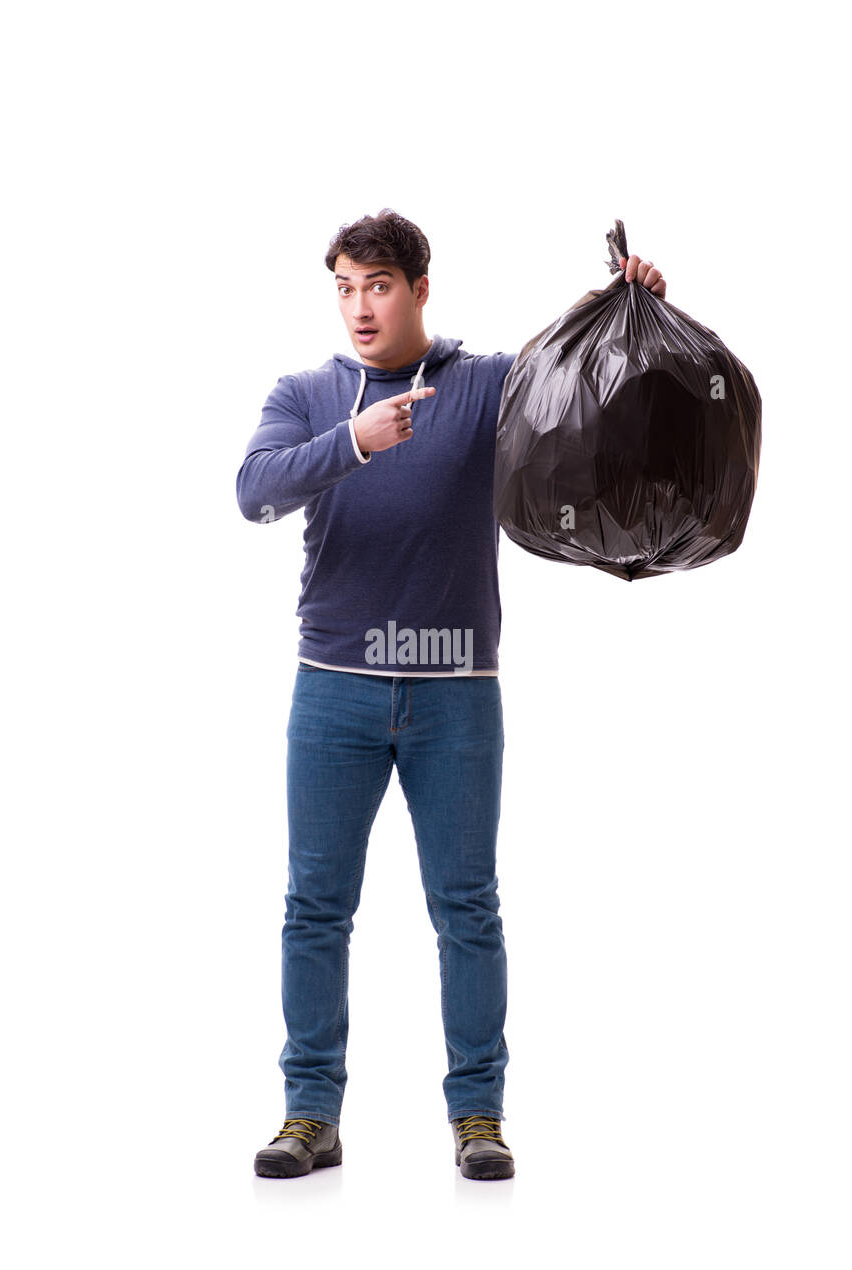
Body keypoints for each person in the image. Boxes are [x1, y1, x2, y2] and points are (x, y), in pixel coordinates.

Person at [237, 209, 667, 1181]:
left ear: (420, 290)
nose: (359, 305)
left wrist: (628, 306)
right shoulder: (307, 395)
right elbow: (253, 491)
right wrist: (352, 440)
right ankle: (310, 1114)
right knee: (315, 907)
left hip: (456, 695)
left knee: (466, 908)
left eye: (378, 284)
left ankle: (479, 1116)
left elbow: (580, 387)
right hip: (334, 690)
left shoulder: (481, 387)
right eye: (345, 285)